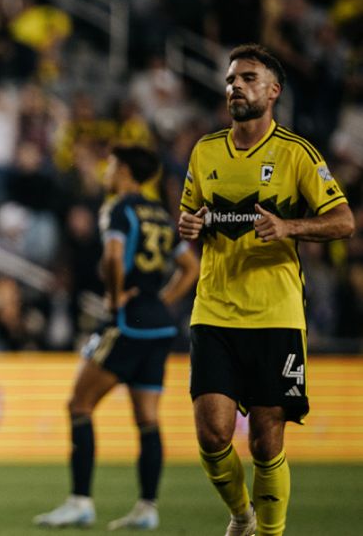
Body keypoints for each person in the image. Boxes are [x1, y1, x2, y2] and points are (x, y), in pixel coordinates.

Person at [178, 44, 354, 536]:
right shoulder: (205, 150)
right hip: (213, 311)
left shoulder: (297, 154)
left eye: (248, 78)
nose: (235, 86)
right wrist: (189, 224)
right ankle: (241, 515)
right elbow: (191, 213)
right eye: (231, 79)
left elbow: (343, 221)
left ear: (273, 91)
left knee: (264, 441)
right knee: (212, 434)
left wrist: (290, 227)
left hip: (275, 315)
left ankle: (271, 533)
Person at [33, 146, 199, 530]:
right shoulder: (159, 213)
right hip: (158, 325)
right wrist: (162, 300)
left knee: (79, 405)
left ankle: (80, 501)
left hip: (126, 322)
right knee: (147, 419)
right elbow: (190, 266)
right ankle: (147, 507)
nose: (106, 170)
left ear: (124, 170)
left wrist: (114, 297)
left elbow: (112, 255)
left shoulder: (118, 208)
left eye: (111, 165)